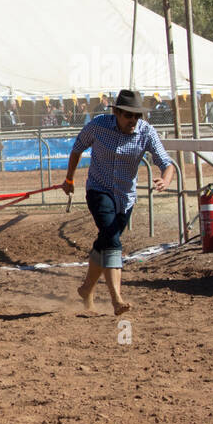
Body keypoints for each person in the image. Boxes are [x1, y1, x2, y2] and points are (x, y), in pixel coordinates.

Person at [63, 88, 176, 316]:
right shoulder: (98, 125)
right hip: (99, 190)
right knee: (112, 238)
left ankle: (86, 289)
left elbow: (167, 162)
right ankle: (116, 298)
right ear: (116, 112)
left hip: (125, 197)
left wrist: (165, 180)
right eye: (128, 115)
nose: (133, 120)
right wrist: (69, 178)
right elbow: (77, 149)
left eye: (137, 116)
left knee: (105, 239)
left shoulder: (147, 132)